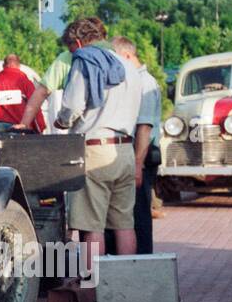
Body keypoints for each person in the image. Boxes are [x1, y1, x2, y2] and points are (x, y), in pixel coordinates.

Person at [53, 18, 143, 268]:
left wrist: (61, 121)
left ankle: (94, 292)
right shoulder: (129, 67)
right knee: (124, 224)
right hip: (125, 149)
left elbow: (72, 106)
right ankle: (127, 288)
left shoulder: (85, 61)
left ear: (78, 42)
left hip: (95, 149)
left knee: (92, 227)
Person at [14, 16, 111, 131]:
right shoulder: (119, 59)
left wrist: (62, 121)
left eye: (71, 48)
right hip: (121, 137)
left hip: (87, 136)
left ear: (78, 43)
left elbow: (43, 93)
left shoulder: (68, 58)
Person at [111, 36, 162, 254]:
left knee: (139, 216)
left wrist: (137, 164)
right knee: (129, 215)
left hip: (141, 155)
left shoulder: (145, 83)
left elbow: (144, 127)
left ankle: (141, 263)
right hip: (136, 155)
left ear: (127, 56)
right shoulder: (136, 81)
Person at [0, 54, 44, 130]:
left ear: (3, 66)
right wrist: (41, 126)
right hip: (21, 130)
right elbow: (35, 105)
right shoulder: (26, 82)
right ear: (19, 66)